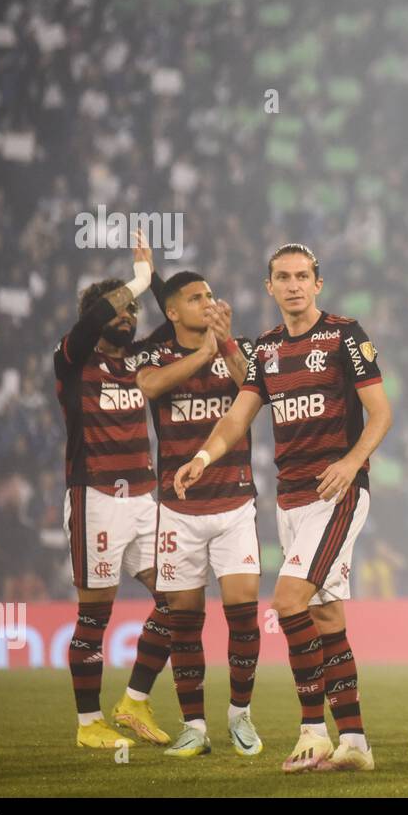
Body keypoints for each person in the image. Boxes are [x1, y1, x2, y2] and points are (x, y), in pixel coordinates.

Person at [174, 244, 392, 773]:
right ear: (268, 287)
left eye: (302, 276)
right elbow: (237, 417)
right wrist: (202, 456)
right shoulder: (267, 351)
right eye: (282, 277)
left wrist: (351, 463)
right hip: (290, 500)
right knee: (324, 613)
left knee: (289, 601)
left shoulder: (346, 334)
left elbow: (381, 413)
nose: (293, 285)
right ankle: (356, 741)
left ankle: (313, 731)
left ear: (318, 283)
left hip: (335, 493)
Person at [134, 271, 262, 758]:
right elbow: (148, 386)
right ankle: (194, 726)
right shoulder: (152, 352)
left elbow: (252, 393)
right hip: (179, 508)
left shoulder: (236, 346)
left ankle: (240, 714)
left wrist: (223, 344)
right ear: (172, 312)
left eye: (210, 294)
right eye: (195, 298)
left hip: (234, 500)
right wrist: (201, 354)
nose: (207, 302)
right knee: (185, 618)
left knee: (244, 612)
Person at [54, 232, 172, 750]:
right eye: (119, 312)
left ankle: (134, 701)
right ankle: (87, 726)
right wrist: (138, 280)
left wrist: (156, 279)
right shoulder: (72, 362)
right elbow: (92, 321)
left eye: (133, 313)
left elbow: (175, 319)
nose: (128, 319)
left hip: (145, 499)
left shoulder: (140, 361)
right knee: (94, 616)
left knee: (179, 601)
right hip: (95, 498)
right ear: (97, 320)